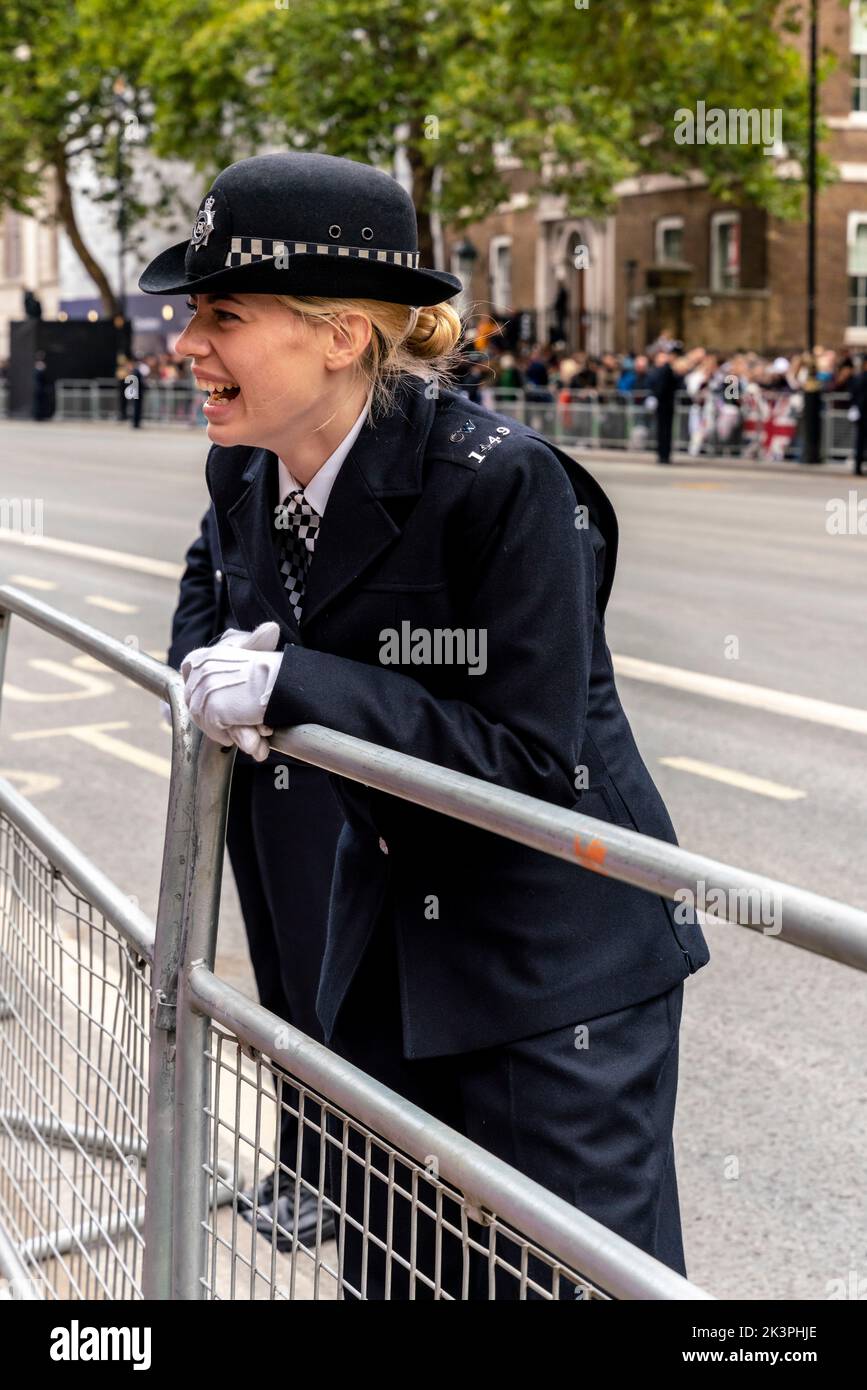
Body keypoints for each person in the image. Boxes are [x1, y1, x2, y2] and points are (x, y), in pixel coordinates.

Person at [138, 150, 710, 1300]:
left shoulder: (503, 482)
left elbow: (534, 761)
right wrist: (233, 662)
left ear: (342, 334)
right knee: (401, 1267)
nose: (184, 344)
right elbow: (277, 630)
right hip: (391, 946)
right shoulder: (243, 474)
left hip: (552, 973)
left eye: (222, 314)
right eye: (190, 315)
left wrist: (300, 684)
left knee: (560, 1277)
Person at [165, 505, 344, 1247]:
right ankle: (300, 1160)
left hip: (322, 788)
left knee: (321, 990)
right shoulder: (249, 473)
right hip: (247, 772)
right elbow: (201, 577)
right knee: (278, 984)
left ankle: (338, 1178)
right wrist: (197, 674)